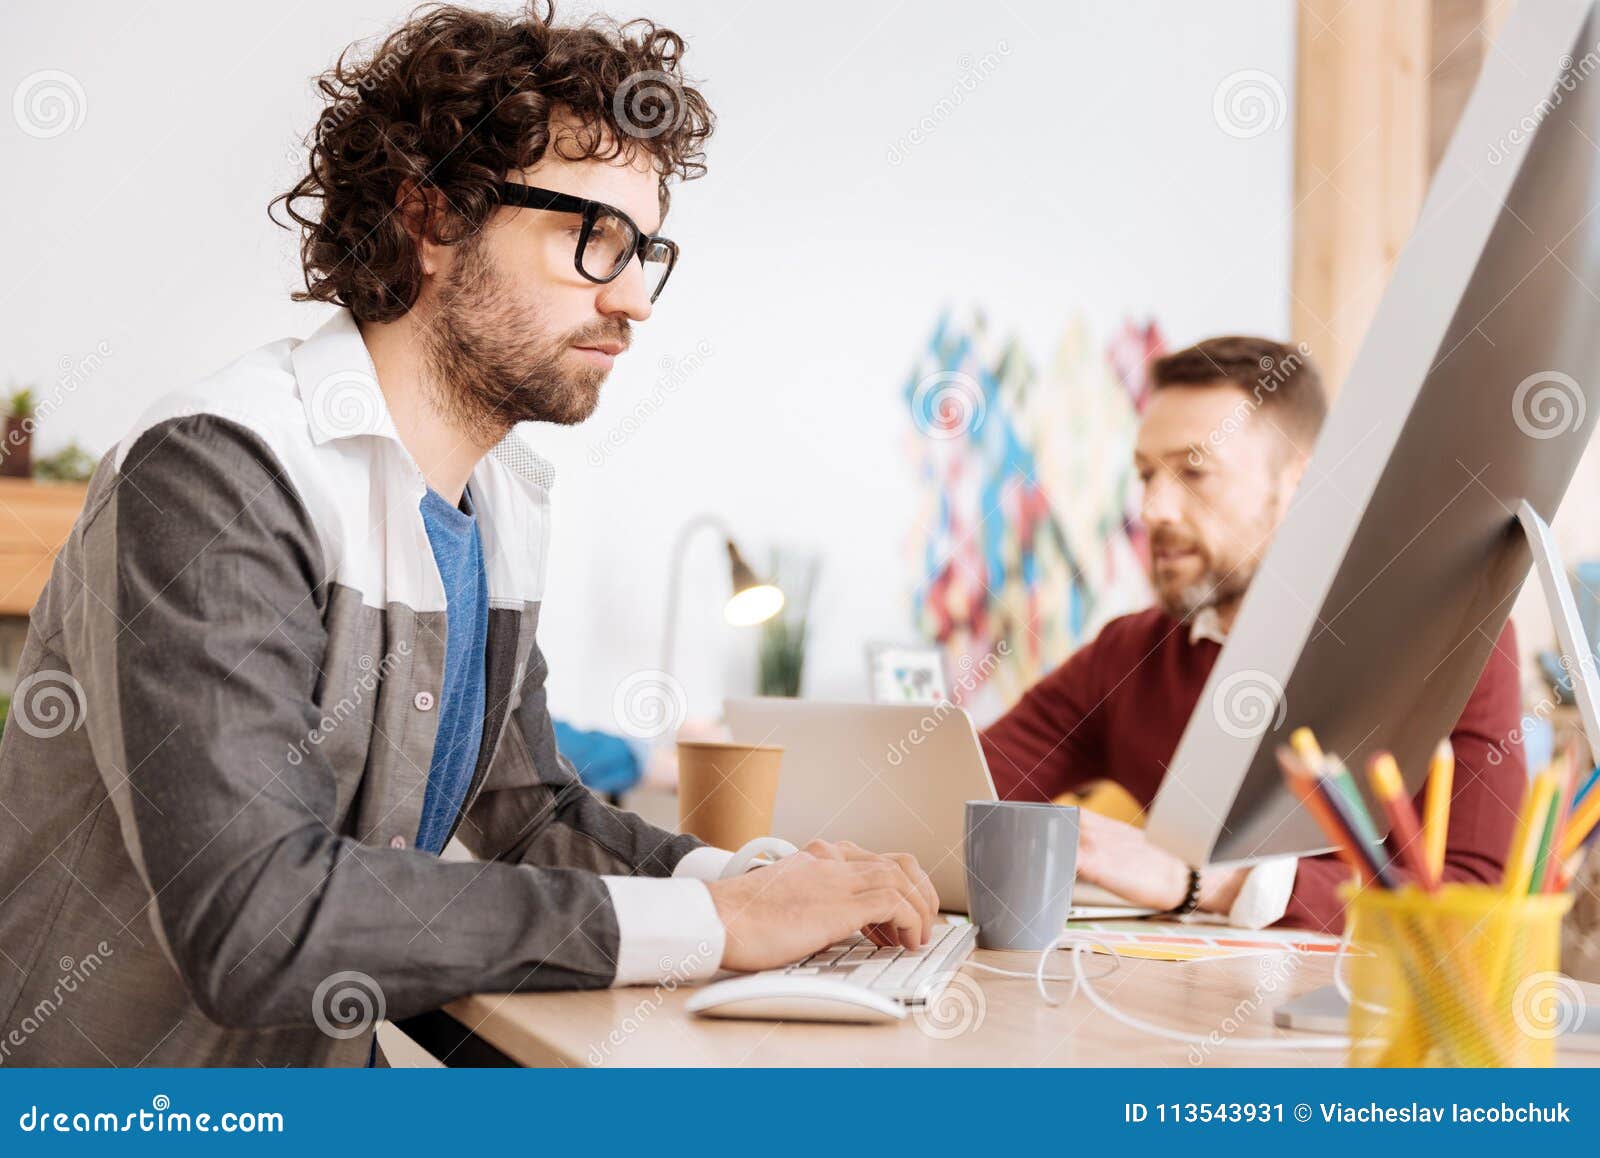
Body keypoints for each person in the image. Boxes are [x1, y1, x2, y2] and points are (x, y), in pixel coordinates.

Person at [0, 2, 934, 1067]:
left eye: (648, 251)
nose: (634, 300)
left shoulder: (496, 502)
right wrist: (722, 931)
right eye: (595, 239)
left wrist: (752, 885)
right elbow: (255, 917)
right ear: (433, 220)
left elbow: (526, 814)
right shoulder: (218, 473)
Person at [979, 336, 1525, 932]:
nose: (1154, 510)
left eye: (1194, 471)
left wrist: (1205, 882)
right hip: (1165, 1009)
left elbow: (1480, 902)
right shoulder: (1129, 653)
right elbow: (970, 795)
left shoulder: (1449, 633)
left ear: (1302, 485)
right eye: (1145, 476)